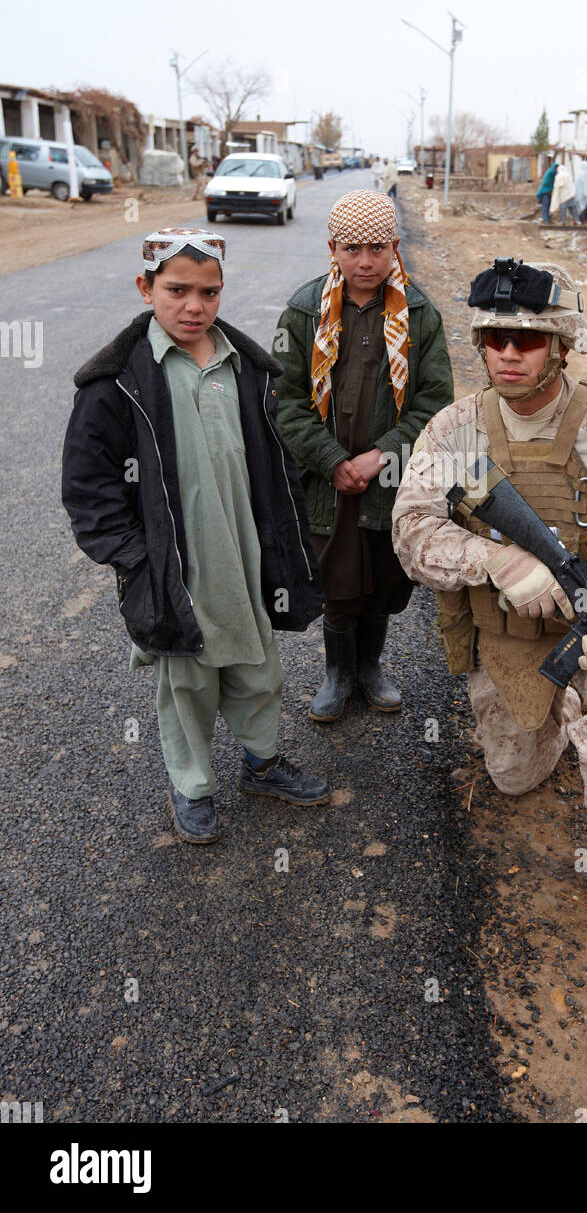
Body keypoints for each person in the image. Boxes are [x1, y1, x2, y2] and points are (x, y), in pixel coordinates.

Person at [392, 259, 587, 973]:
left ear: (561, 345)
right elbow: (409, 532)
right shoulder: (456, 430)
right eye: (494, 338)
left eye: (526, 340)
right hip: (509, 640)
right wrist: (495, 562)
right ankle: (555, 730)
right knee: (514, 776)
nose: (507, 353)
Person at [61, 228, 328, 845]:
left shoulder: (248, 368)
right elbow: (88, 487)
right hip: (177, 564)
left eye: (209, 292)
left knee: (259, 661)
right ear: (145, 287)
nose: (194, 306)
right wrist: (136, 558)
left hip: (247, 549)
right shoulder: (117, 382)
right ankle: (192, 785)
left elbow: (278, 459)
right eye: (176, 289)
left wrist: (287, 534)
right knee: (187, 679)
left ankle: (262, 763)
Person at [272, 190, 453, 722]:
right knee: (338, 584)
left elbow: (434, 404)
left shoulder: (419, 316)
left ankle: (370, 668)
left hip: (391, 479)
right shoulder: (304, 312)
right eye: (353, 248)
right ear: (333, 248)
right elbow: (286, 403)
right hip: (325, 482)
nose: (366, 261)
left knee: (384, 579)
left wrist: (382, 456)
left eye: (377, 247)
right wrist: (332, 460)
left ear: (395, 246)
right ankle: (337, 673)